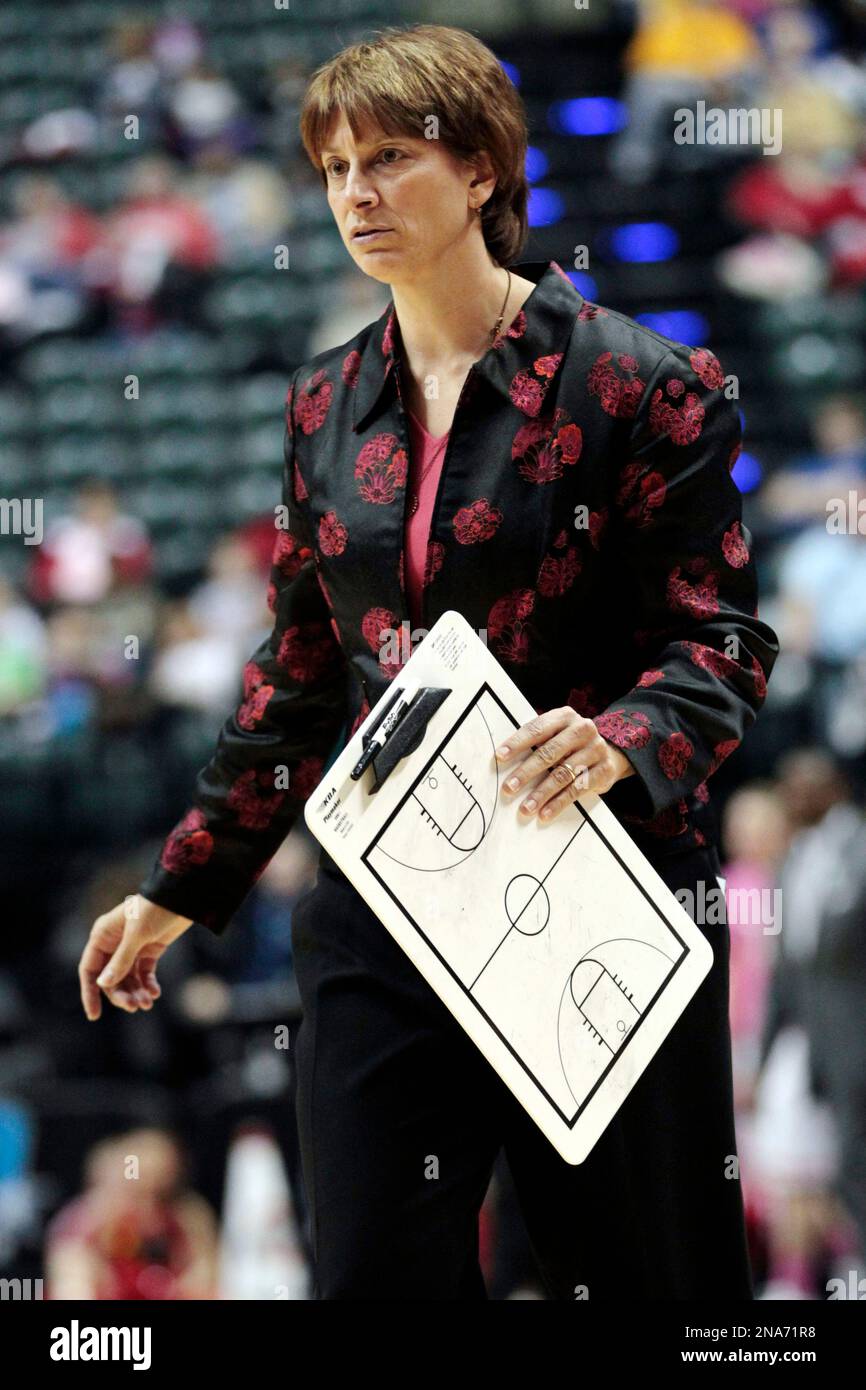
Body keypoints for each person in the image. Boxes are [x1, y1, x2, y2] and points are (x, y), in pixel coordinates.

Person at [78, 22, 780, 1300]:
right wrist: (184, 882)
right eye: (335, 165)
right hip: (388, 901)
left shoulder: (641, 383)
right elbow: (297, 672)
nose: (355, 191)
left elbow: (721, 642)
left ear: (479, 175)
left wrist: (618, 741)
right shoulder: (319, 402)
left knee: (639, 1280)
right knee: (367, 1274)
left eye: (390, 157)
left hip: (602, 900)